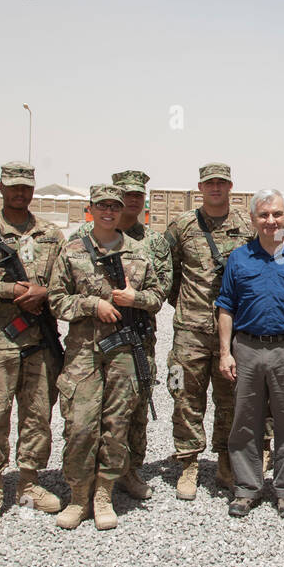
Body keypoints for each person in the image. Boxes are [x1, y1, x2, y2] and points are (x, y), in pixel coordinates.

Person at [47, 184, 163, 530]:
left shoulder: (139, 254)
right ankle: (79, 496)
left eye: (115, 206)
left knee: (117, 425)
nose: (110, 212)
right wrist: (91, 305)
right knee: (80, 425)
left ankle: (103, 494)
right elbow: (55, 300)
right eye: (103, 207)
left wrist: (134, 300)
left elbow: (158, 296)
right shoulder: (71, 251)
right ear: (91, 210)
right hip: (84, 352)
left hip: (125, 352)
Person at [0, 161, 65, 527]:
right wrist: (13, 290)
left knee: (38, 415)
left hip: (39, 341)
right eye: (13, 187)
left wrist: (45, 293)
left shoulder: (51, 234)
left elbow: (66, 284)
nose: (20, 193)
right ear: (2, 188)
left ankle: (29, 481)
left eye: (26, 187)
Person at [217, 190, 284, 518]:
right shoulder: (239, 258)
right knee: (245, 421)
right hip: (247, 348)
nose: (270, 221)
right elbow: (225, 307)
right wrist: (225, 352)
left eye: (277, 214)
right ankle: (247, 488)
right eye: (263, 215)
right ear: (253, 219)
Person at [164, 163, 254, 499]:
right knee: (185, 396)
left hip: (233, 329)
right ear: (200, 187)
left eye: (221, 182)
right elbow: (168, 272)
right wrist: (187, 306)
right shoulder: (183, 224)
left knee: (231, 398)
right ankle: (188, 464)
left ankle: (226, 461)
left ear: (231, 186)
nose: (215, 188)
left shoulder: (246, 225)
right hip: (190, 330)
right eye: (209, 183)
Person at [113, 168, 174, 500]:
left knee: (136, 407)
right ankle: (93, 474)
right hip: (95, 338)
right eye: (126, 194)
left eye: (138, 194)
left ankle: (130, 470)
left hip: (138, 335)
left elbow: (163, 290)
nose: (132, 200)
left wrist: (134, 299)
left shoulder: (154, 242)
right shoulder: (87, 236)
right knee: (93, 409)